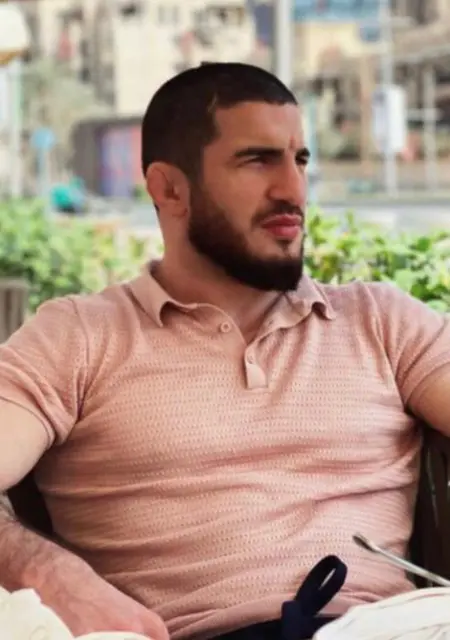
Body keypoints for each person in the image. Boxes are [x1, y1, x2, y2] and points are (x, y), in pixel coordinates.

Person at [1, 62, 450, 640]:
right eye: (257, 160)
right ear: (169, 189)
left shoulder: (380, 321)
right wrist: (47, 574)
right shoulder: (79, 337)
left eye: (300, 160)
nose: (293, 191)